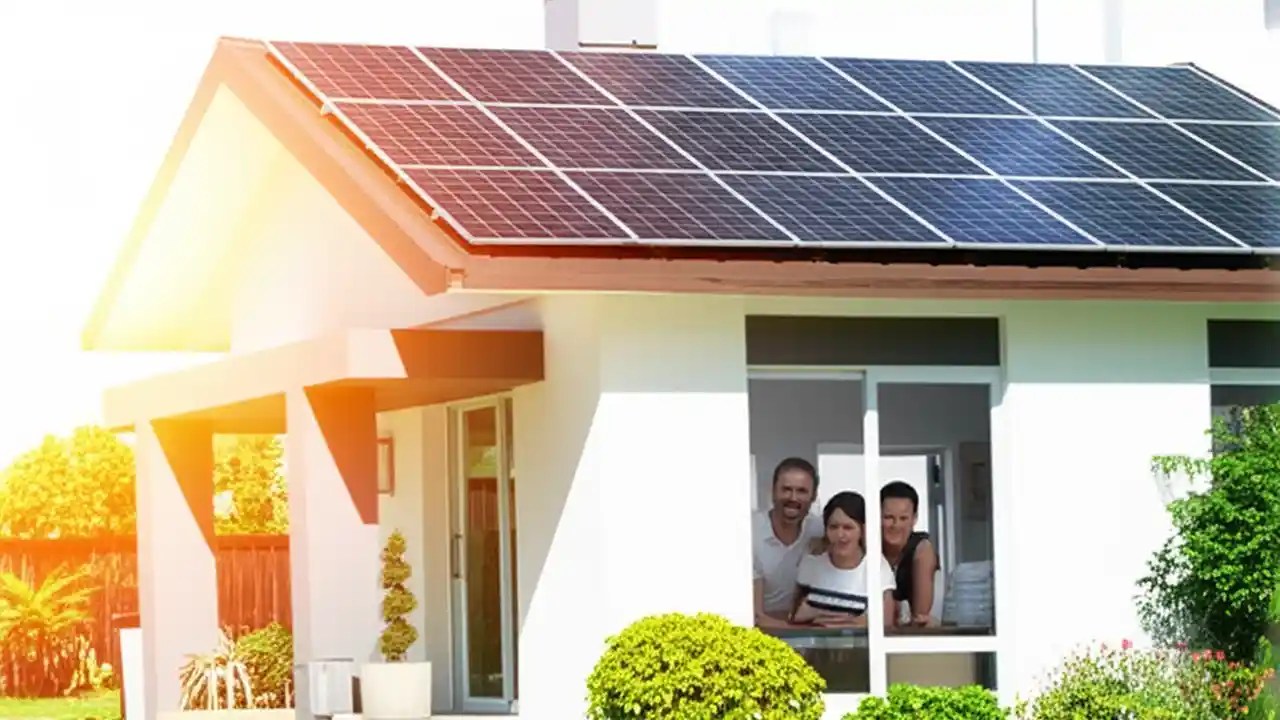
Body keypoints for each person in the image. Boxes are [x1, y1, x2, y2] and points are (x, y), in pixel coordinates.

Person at [791, 491, 897, 628]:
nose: (840, 535)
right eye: (833, 527)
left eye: (848, 527)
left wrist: (819, 615)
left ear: (862, 530)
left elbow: (885, 624)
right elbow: (795, 616)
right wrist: (851, 620)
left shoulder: (877, 568)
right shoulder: (811, 564)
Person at [752, 457, 824, 628]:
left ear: (813, 496)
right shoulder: (750, 532)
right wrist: (799, 629)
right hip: (762, 635)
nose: (793, 497)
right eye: (786, 489)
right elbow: (755, 616)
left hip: (809, 634)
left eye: (802, 491)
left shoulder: (822, 529)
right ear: (773, 491)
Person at [880, 481, 940, 627]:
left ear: (914, 519)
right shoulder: (866, 545)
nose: (896, 525)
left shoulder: (921, 550)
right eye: (888, 517)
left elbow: (920, 617)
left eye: (903, 518)